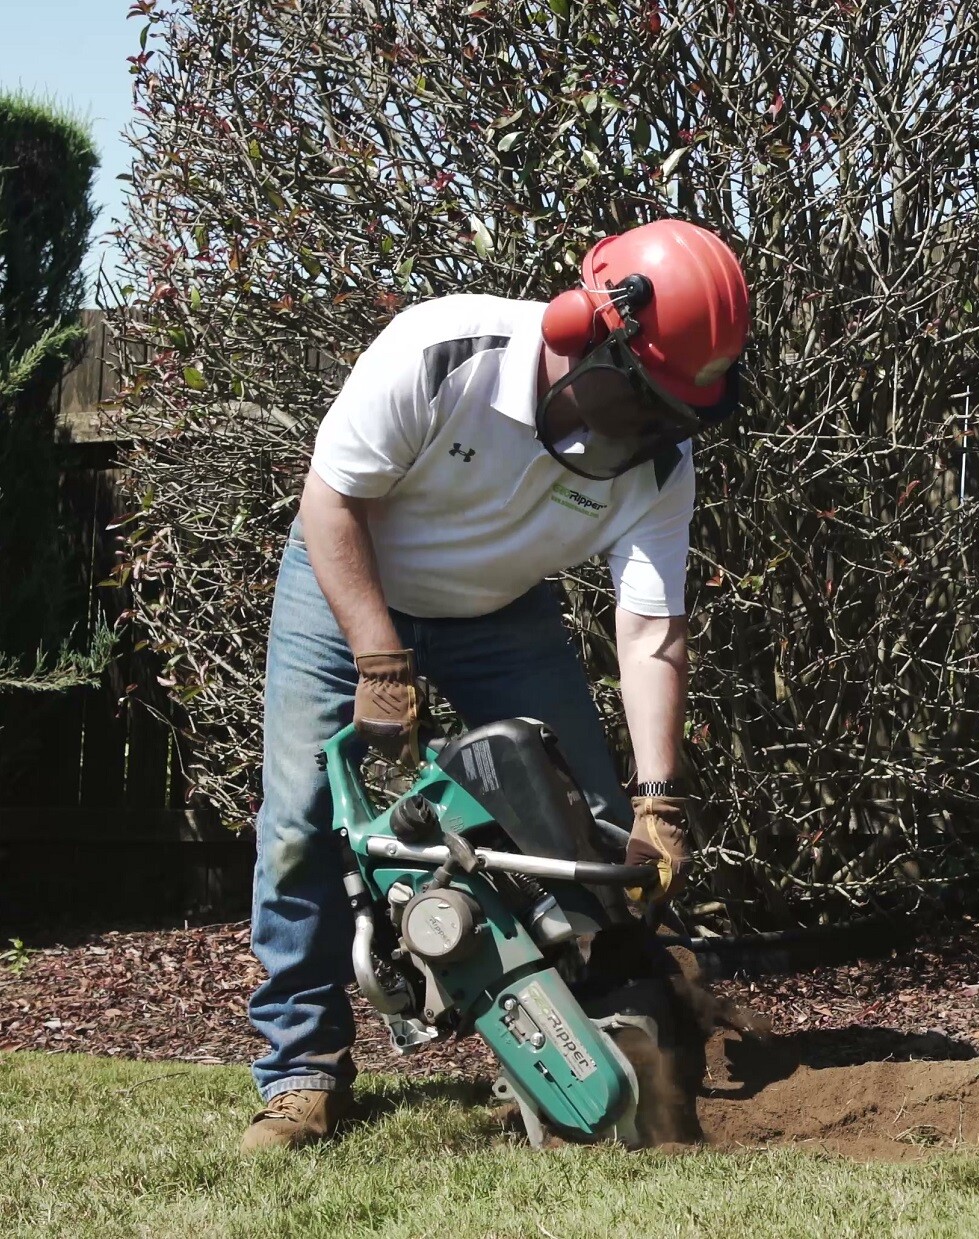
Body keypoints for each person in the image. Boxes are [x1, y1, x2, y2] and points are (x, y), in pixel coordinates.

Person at [239, 219, 750, 1151]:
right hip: (348, 579)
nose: (651, 435)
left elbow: (649, 628)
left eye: (672, 416)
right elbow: (332, 500)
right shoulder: (442, 354)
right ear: (578, 332)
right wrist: (379, 659)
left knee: (587, 830)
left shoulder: (660, 459)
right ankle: (302, 1072)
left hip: (502, 612)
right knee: (302, 819)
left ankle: (612, 1043)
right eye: (643, 405)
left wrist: (657, 797)